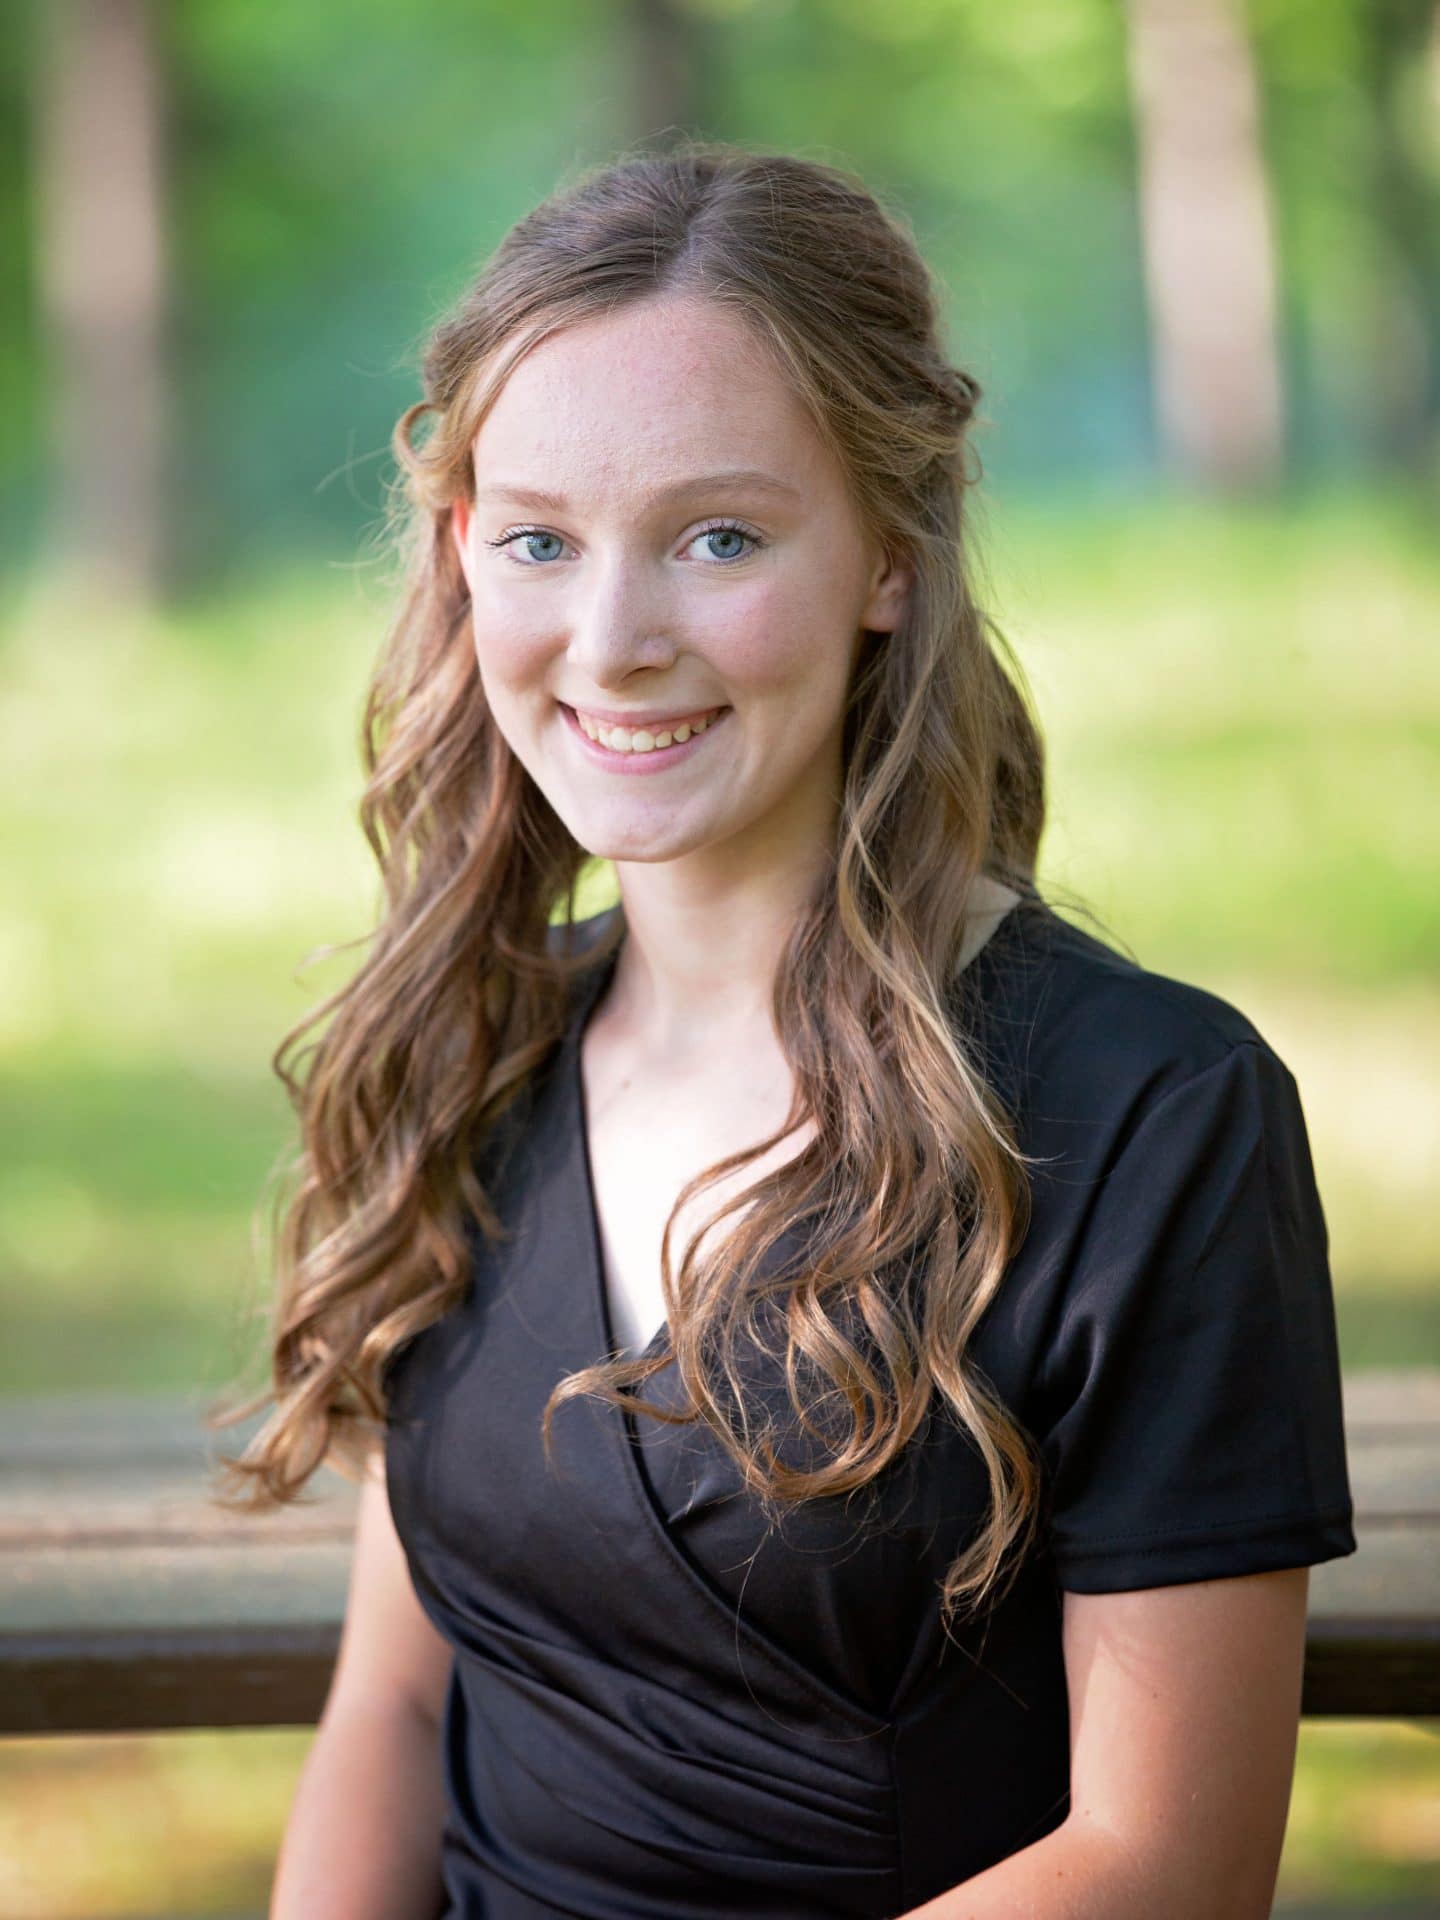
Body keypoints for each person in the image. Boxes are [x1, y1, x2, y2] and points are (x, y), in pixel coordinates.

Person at [223, 141, 1357, 1920]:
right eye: (541, 539)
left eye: (720, 537)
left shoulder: (1149, 1111)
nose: (613, 643)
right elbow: (396, 1694)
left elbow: (1170, 1863)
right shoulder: (480, 1044)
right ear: (464, 555)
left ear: (890, 557)